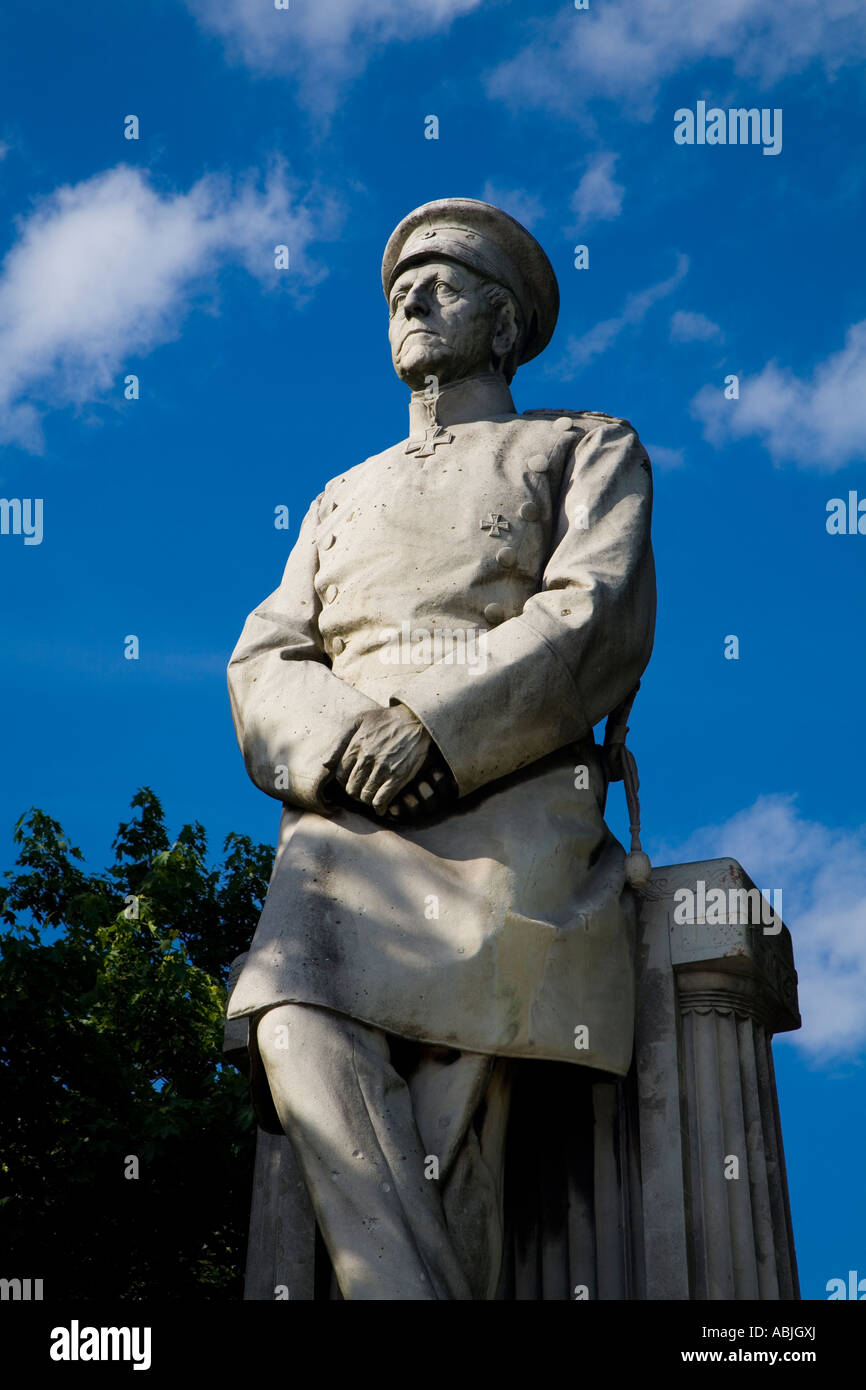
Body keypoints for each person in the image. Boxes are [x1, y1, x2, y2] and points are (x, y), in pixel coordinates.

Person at [226, 197, 656, 1300]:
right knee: (291, 1016)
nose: (412, 297)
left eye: (445, 279)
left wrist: (433, 727)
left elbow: (592, 616)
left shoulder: (581, 447)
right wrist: (344, 743)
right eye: (398, 287)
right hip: (343, 830)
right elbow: (264, 662)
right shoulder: (338, 496)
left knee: (455, 1135)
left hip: (504, 815)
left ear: (504, 324)